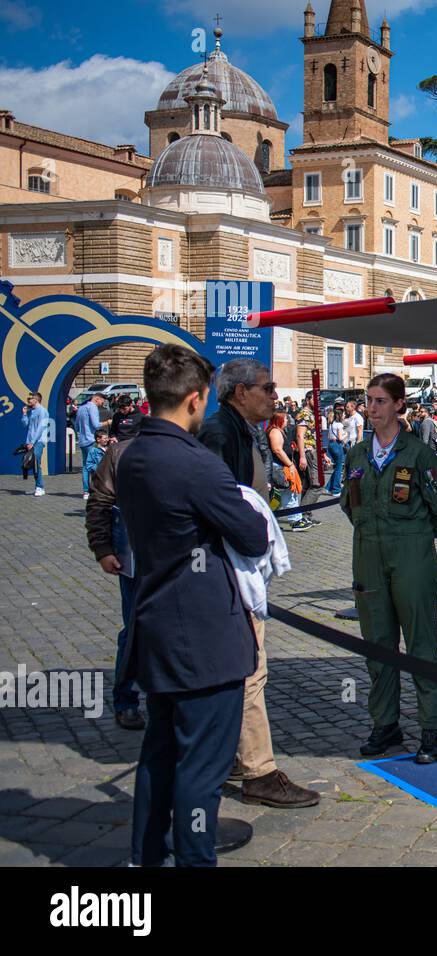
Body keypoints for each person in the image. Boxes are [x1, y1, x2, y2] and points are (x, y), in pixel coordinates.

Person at [117, 345, 269, 866]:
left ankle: (146, 858)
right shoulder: (194, 461)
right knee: (201, 770)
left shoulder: (133, 452)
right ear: (195, 399)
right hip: (204, 638)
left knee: (159, 756)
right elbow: (252, 535)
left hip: (156, 624)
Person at [197, 358, 319, 809]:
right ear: (239, 392)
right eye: (267, 388)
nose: (274, 396)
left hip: (236, 569)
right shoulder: (220, 433)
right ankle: (259, 770)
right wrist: (253, 537)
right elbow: (218, 504)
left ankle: (231, 753)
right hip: (229, 574)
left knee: (242, 668)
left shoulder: (235, 429)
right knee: (250, 669)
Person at [342, 374, 437, 764]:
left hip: (412, 557)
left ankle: (431, 728)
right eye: (369, 401)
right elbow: (348, 504)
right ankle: (385, 724)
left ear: (398, 405)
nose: (372, 409)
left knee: (421, 645)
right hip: (368, 555)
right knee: (377, 647)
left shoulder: (418, 454)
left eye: (380, 401)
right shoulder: (357, 455)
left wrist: (413, 536)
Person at [85, 428, 144, 730]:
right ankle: (126, 699)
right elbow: (100, 502)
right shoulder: (120, 453)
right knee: (134, 630)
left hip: (181, 561)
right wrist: (103, 547)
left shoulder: (190, 447)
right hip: (136, 560)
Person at [75, 393, 107, 499]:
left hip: (82, 441)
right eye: (102, 401)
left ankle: (86, 491)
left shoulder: (81, 408)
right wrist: (108, 422)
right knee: (96, 465)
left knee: (85, 466)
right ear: (97, 399)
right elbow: (96, 425)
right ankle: (95, 490)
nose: (103, 403)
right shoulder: (92, 408)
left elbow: (76, 426)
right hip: (91, 440)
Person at [21, 392, 49, 496]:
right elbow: (25, 425)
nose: (28, 400)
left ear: (36, 400)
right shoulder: (32, 411)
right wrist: (24, 414)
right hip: (30, 441)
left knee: (36, 463)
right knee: (32, 463)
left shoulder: (42, 411)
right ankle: (37, 486)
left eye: (30, 398)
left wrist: (33, 442)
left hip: (38, 441)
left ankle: (40, 487)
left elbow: (40, 428)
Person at [326, 406, 348, 495]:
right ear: (340, 415)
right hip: (337, 445)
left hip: (330, 445)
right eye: (343, 414)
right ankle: (335, 490)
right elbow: (340, 438)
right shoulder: (339, 425)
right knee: (339, 468)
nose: (344, 415)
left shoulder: (331, 424)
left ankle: (329, 487)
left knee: (337, 467)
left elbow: (328, 436)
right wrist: (346, 434)